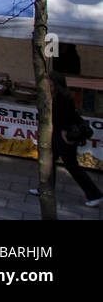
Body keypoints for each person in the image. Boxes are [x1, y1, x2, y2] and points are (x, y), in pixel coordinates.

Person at [31, 71, 102, 206]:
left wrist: (64, 132)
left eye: (50, 84)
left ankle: (95, 194)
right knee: (49, 161)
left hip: (64, 136)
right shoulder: (53, 96)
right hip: (56, 133)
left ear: (57, 85)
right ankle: (45, 189)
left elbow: (67, 117)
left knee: (71, 165)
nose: (47, 86)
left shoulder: (63, 98)